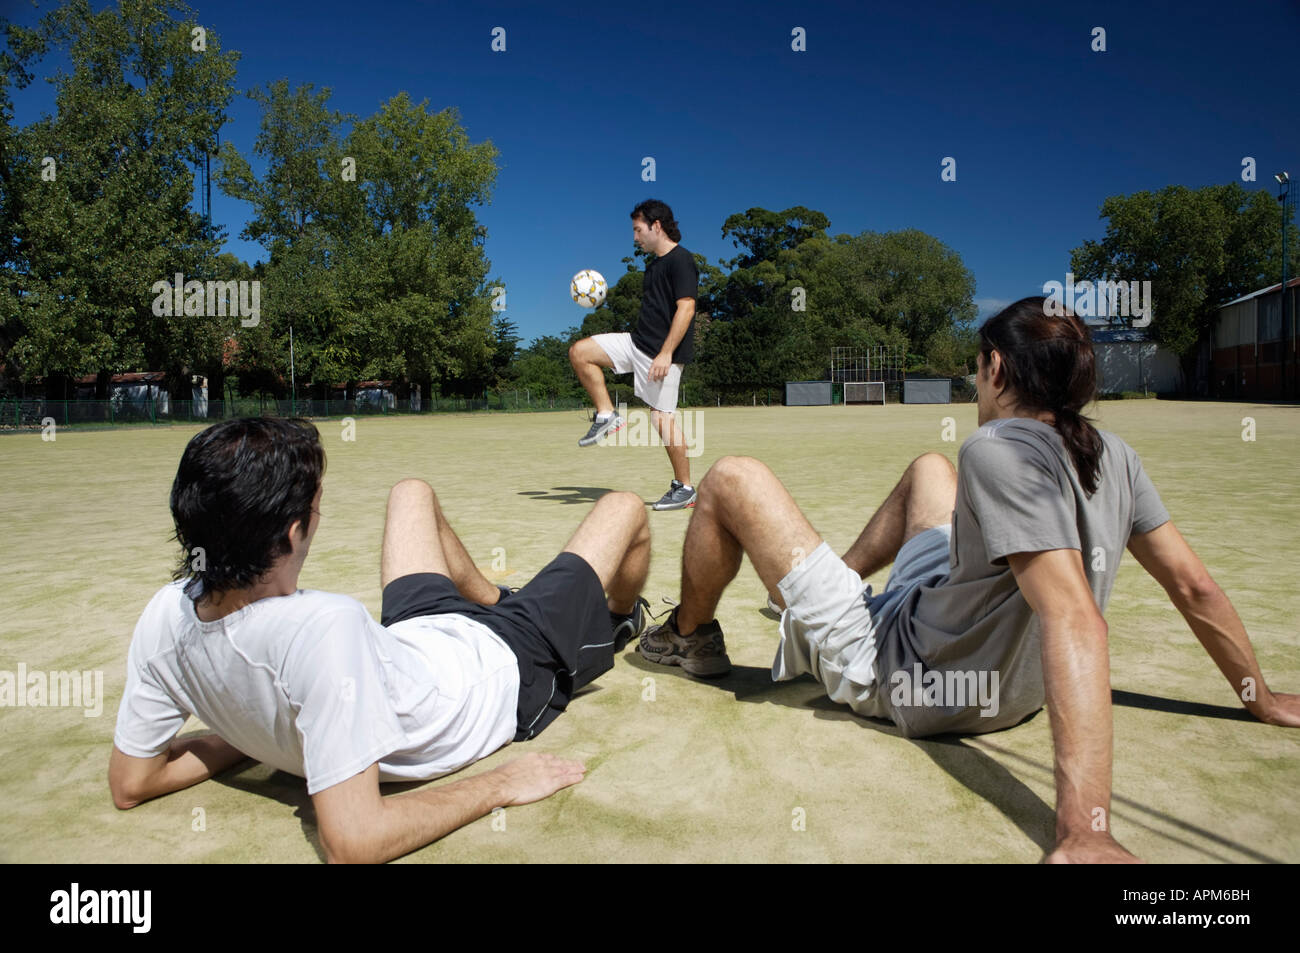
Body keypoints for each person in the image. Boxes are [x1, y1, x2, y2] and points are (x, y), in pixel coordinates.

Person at [639, 296, 1300, 862]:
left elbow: (1072, 616)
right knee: (929, 467)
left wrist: (1084, 829)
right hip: (1010, 685)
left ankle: (691, 637)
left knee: (731, 477)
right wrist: (1259, 696)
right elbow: (1195, 587)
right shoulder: (1115, 454)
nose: (975, 386)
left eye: (976, 372)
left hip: (904, 670)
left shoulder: (994, 446)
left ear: (999, 369)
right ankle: (821, 590)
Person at [109, 416, 651, 863]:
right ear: (295, 531)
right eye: (317, 504)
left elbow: (132, 781)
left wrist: (249, 728)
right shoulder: (325, 627)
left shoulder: (167, 612)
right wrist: (502, 784)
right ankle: (617, 620)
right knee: (625, 509)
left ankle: (492, 594)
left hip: (414, 637)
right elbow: (354, 841)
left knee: (411, 492)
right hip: (507, 660)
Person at [569, 198, 700, 510]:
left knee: (661, 418)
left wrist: (666, 353)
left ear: (656, 226)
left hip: (661, 354)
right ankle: (606, 414)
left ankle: (685, 488)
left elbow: (687, 308)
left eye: (638, 230)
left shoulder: (682, 260)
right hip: (636, 343)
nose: (635, 237)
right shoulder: (653, 265)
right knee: (580, 352)